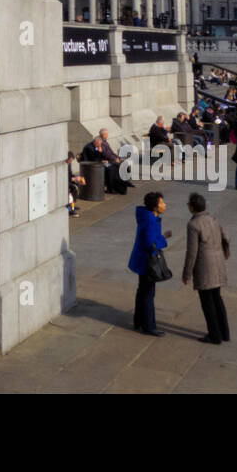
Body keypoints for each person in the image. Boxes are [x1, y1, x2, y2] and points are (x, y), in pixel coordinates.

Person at [182, 192, 230, 344]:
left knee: (207, 302)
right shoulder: (213, 219)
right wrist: (224, 254)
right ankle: (224, 332)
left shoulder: (193, 225)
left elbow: (192, 252)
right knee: (217, 298)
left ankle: (214, 335)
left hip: (205, 266)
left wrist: (187, 273)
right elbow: (226, 237)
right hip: (218, 263)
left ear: (192, 207)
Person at [128, 191, 171, 336]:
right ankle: (149, 325)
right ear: (155, 207)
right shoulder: (150, 220)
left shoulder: (148, 217)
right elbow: (150, 243)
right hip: (147, 262)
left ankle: (139, 321)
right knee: (148, 293)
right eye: (161, 203)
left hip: (142, 260)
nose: (164, 205)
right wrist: (163, 239)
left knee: (142, 291)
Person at [83, 128, 133, 194]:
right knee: (110, 168)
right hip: (92, 164)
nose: (99, 146)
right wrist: (101, 159)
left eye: (100, 145)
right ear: (95, 142)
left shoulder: (97, 146)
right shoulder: (89, 147)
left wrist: (101, 155)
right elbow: (93, 158)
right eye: (98, 145)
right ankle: (111, 188)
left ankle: (120, 186)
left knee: (114, 167)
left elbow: (102, 155)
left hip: (100, 162)